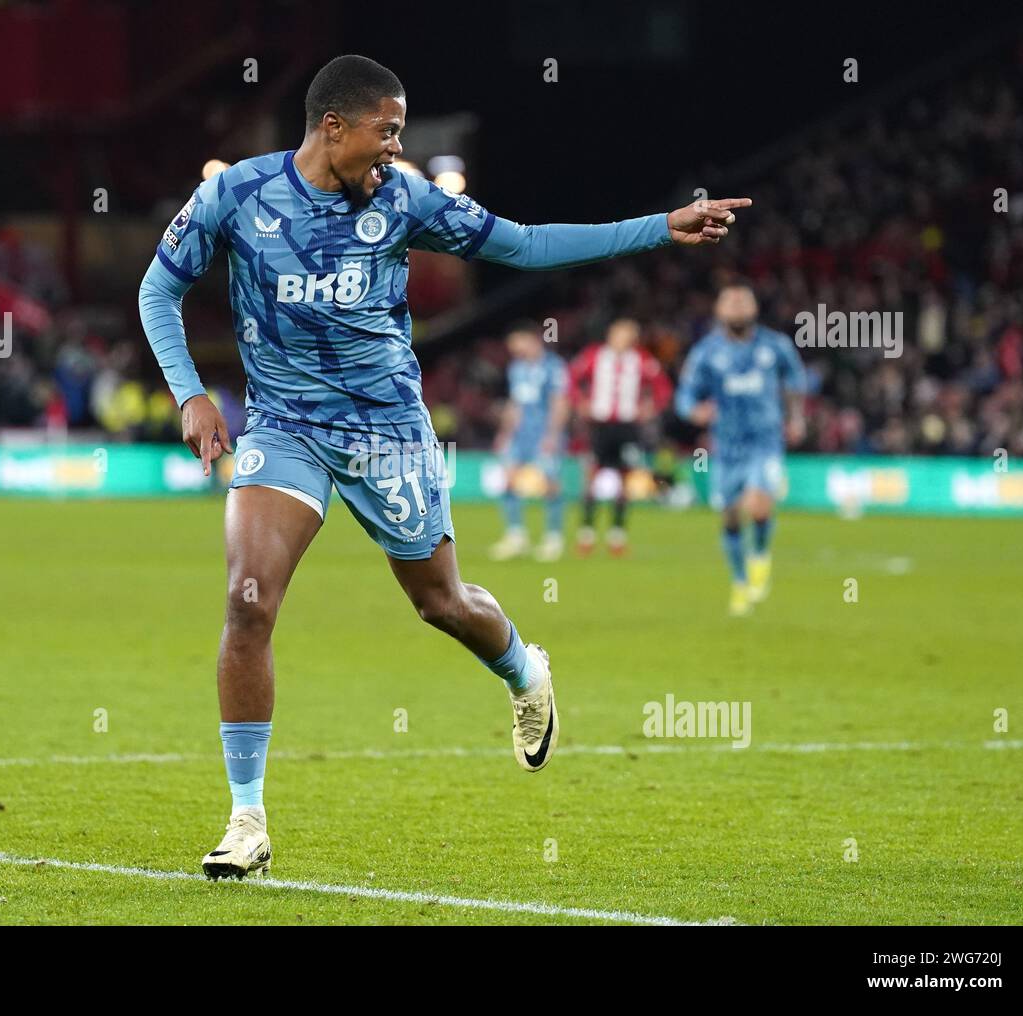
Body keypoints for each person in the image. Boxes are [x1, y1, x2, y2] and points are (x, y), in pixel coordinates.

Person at [138, 53, 750, 879]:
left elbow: (525, 247)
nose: (395, 148)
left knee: (440, 602)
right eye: (385, 131)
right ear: (332, 127)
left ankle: (524, 669)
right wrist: (191, 395)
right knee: (248, 601)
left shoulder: (405, 200)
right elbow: (157, 290)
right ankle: (246, 820)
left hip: (388, 431)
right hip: (283, 427)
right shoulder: (237, 195)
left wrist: (656, 226)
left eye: (399, 133)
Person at [674, 284, 805, 616]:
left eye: (742, 300)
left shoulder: (775, 346)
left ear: (754, 307)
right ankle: (740, 581)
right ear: (718, 310)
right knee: (731, 517)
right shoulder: (706, 352)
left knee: (759, 505)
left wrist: (796, 417)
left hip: (765, 440)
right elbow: (685, 395)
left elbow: (795, 381)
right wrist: (694, 411)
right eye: (729, 301)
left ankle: (759, 553)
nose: (736, 305)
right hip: (727, 446)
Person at [568, 317, 671, 556]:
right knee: (592, 480)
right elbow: (571, 379)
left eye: (630, 334)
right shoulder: (594, 356)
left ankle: (617, 536)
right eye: (621, 333)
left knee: (624, 483)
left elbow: (663, 387)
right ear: (611, 334)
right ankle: (587, 534)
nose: (625, 338)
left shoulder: (642, 360)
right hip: (600, 427)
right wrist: (580, 402)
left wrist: (651, 407)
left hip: (627, 427)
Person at [488, 323, 569, 562]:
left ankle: (554, 538)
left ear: (532, 340)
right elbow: (514, 404)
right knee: (508, 480)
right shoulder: (516, 368)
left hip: (543, 432)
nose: (514, 350)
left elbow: (560, 403)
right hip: (519, 434)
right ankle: (516, 536)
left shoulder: (553, 367)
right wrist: (504, 433)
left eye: (517, 344)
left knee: (550, 484)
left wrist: (552, 435)